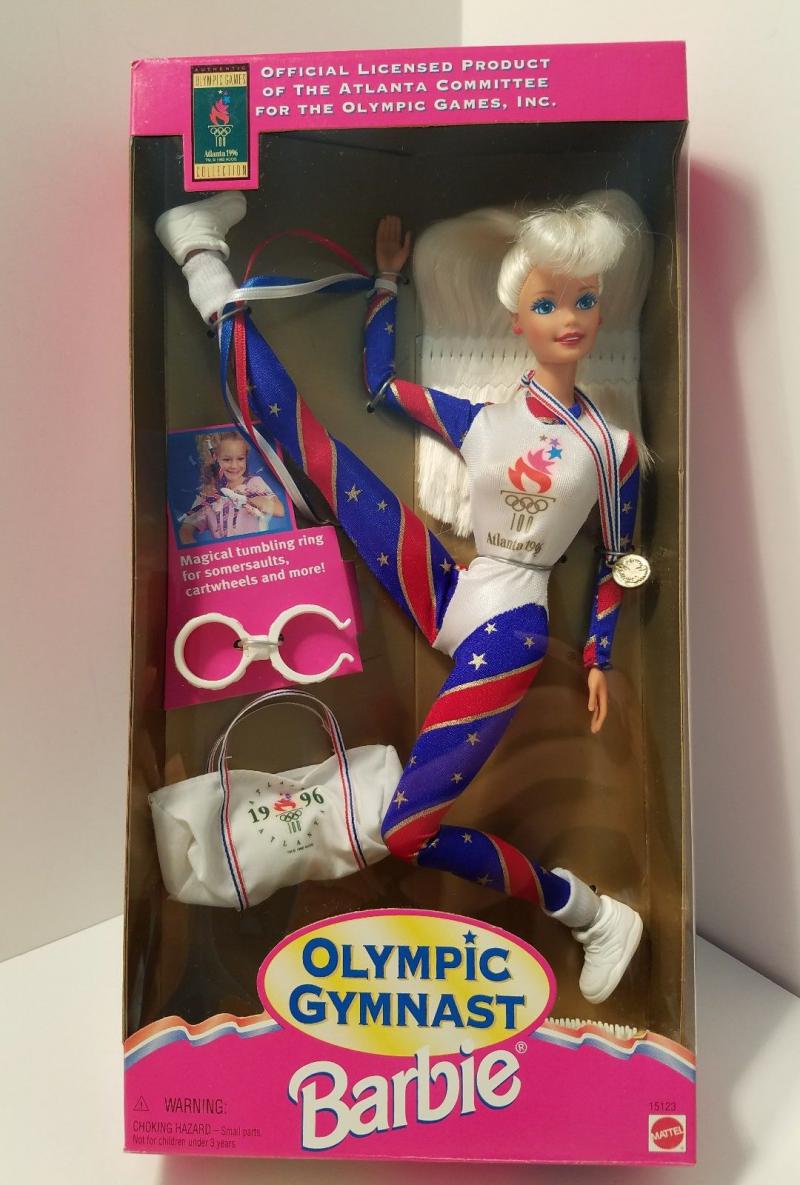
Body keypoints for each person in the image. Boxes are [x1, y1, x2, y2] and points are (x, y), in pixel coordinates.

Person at [155, 191, 646, 1004]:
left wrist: (600, 653)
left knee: (409, 830)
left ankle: (590, 912)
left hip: (514, 625)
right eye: (548, 303)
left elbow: (619, 557)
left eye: (584, 300)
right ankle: (202, 263)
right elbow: (380, 386)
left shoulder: (612, 448)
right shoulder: (484, 421)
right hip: (457, 587)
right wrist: (386, 283)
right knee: (320, 454)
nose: (569, 318)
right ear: (516, 317)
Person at [177, 429, 285, 544]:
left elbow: (280, 511)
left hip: (253, 549)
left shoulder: (254, 483)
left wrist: (247, 498)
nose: (234, 465)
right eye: (227, 460)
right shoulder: (208, 495)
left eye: (240, 459)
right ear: (213, 459)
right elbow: (185, 531)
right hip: (226, 553)